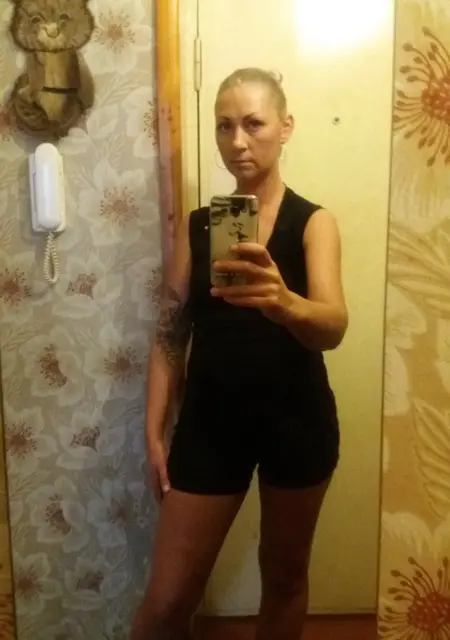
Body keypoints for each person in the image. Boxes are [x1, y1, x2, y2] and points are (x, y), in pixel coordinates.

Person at [130, 67, 348, 640]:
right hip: (210, 425)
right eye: (224, 126)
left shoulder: (313, 222)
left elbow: (333, 326)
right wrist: (153, 430)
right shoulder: (202, 226)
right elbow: (170, 329)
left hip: (297, 423)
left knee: (284, 579)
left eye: (253, 123)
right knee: (167, 600)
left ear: (285, 127)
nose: (238, 141)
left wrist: (284, 303)